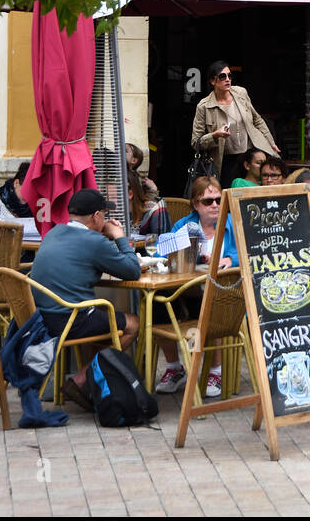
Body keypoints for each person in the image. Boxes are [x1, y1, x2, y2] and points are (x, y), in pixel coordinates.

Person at [28, 188, 141, 408]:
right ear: (97, 216)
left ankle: (95, 380)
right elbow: (132, 270)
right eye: (104, 215)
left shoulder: (54, 232)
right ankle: (81, 380)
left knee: (101, 320)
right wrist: (119, 237)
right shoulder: (94, 242)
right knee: (133, 324)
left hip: (40, 319)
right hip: (68, 320)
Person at [154, 178, 236, 397]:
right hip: (186, 290)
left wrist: (228, 260)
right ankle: (174, 368)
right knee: (156, 302)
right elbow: (160, 253)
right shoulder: (184, 226)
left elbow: (248, 250)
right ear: (195, 204)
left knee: (210, 303)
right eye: (208, 201)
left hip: (224, 292)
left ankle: (215, 371)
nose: (215, 205)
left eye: (219, 200)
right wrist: (187, 252)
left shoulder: (232, 223)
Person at [190, 60, 280, 187]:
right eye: (222, 76)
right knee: (229, 195)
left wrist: (271, 143)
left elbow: (257, 120)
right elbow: (196, 142)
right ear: (212, 81)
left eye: (229, 76)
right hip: (225, 160)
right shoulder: (204, 106)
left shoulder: (241, 93)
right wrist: (215, 135)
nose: (227, 79)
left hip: (249, 156)